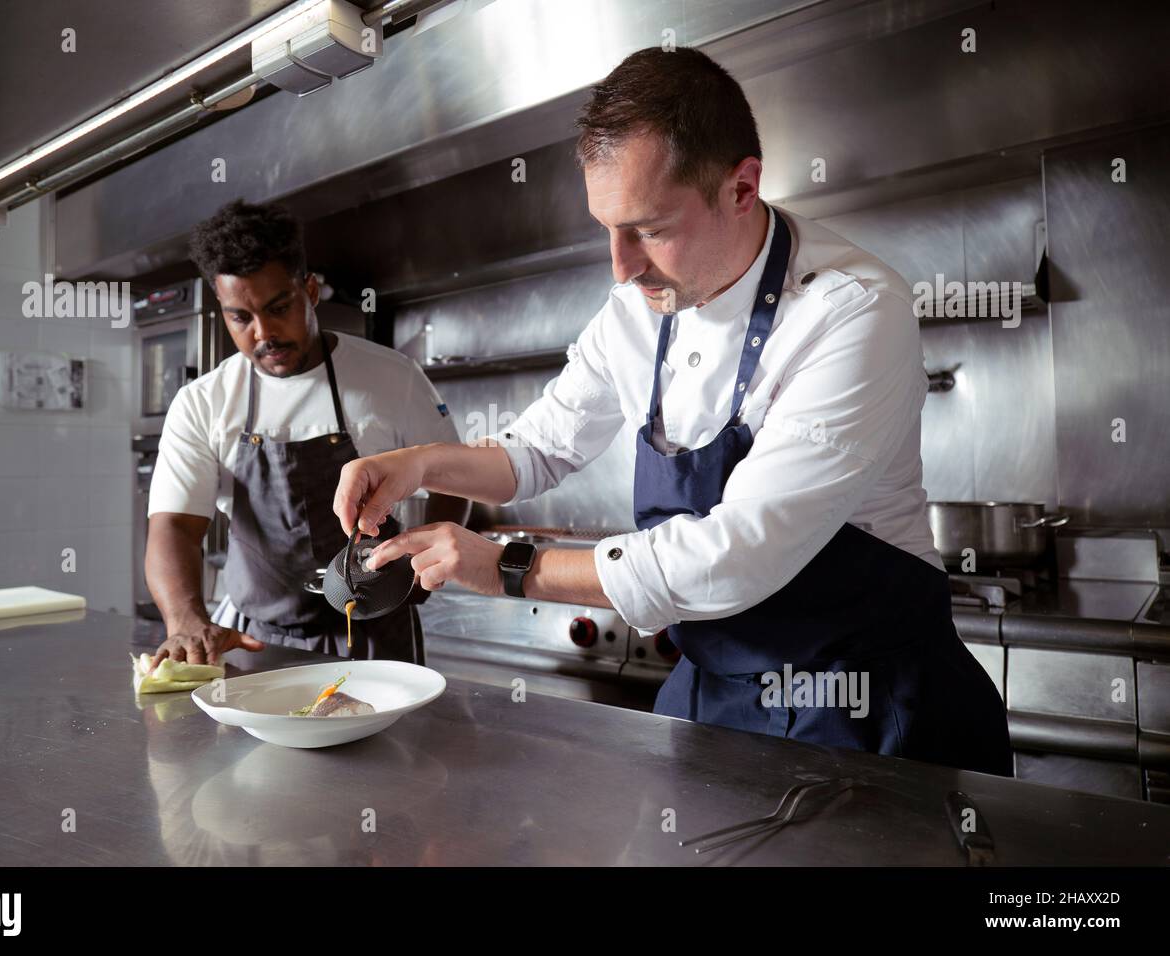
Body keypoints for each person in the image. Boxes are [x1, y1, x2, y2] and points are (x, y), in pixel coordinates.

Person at [333, 48, 1012, 775]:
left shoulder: (850, 311)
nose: (620, 267)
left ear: (741, 187)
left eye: (649, 229)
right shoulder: (637, 308)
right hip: (715, 693)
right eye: (606, 228)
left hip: (862, 707)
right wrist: (417, 464)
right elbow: (535, 453)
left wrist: (509, 567)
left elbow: (738, 553)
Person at [146, 199, 467, 667]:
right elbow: (174, 524)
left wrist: (424, 569)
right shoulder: (203, 402)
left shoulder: (392, 377)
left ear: (311, 290)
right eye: (241, 317)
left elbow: (453, 473)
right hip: (259, 639)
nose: (264, 334)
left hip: (378, 634)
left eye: (279, 308)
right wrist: (184, 619)